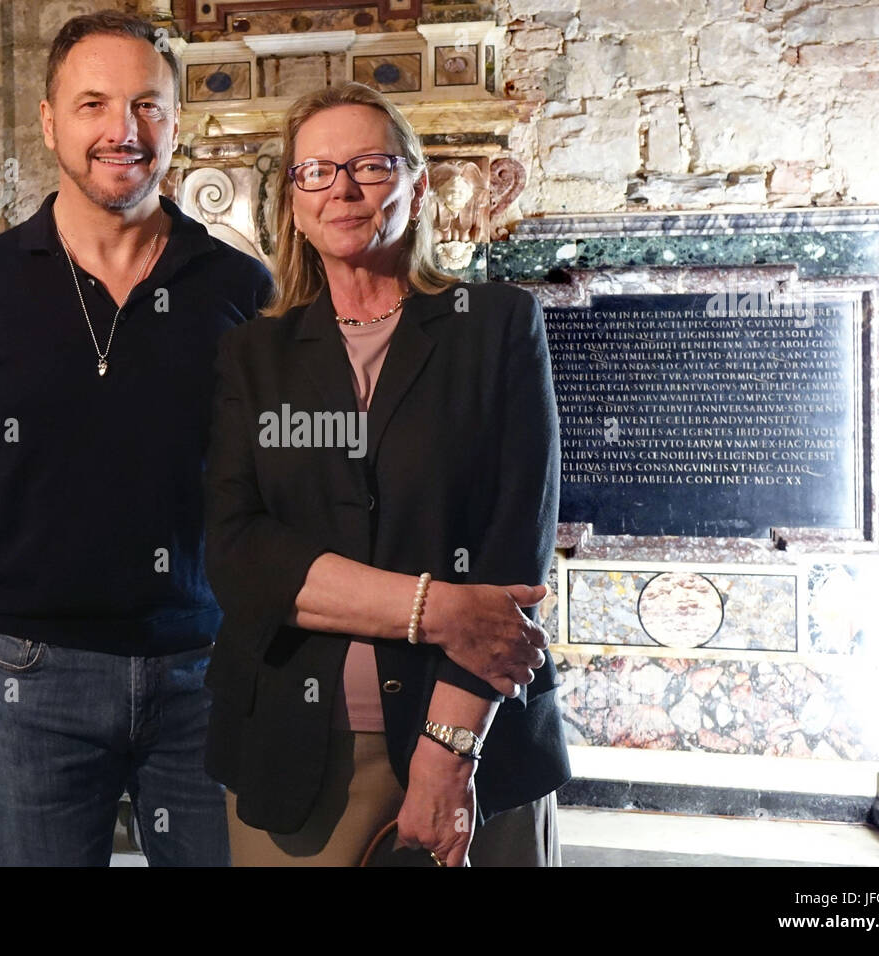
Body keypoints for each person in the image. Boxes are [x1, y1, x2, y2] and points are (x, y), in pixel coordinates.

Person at [0, 12, 272, 866]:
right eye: (94, 104)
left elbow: (275, 473)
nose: (123, 130)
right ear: (49, 122)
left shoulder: (238, 288)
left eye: (147, 105)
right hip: (39, 673)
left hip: (206, 666)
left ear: (174, 121)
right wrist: (9, 584)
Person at [203, 81, 569, 866]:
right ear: (293, 202)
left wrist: (449, 749)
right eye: (316, 171)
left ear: (418, 186)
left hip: (478, 738)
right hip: (296, 747)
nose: (342, 188)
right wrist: (435, 610)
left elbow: (515, 549)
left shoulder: (498, 326)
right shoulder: (254, 354)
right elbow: (240, 555)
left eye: (370, 165)